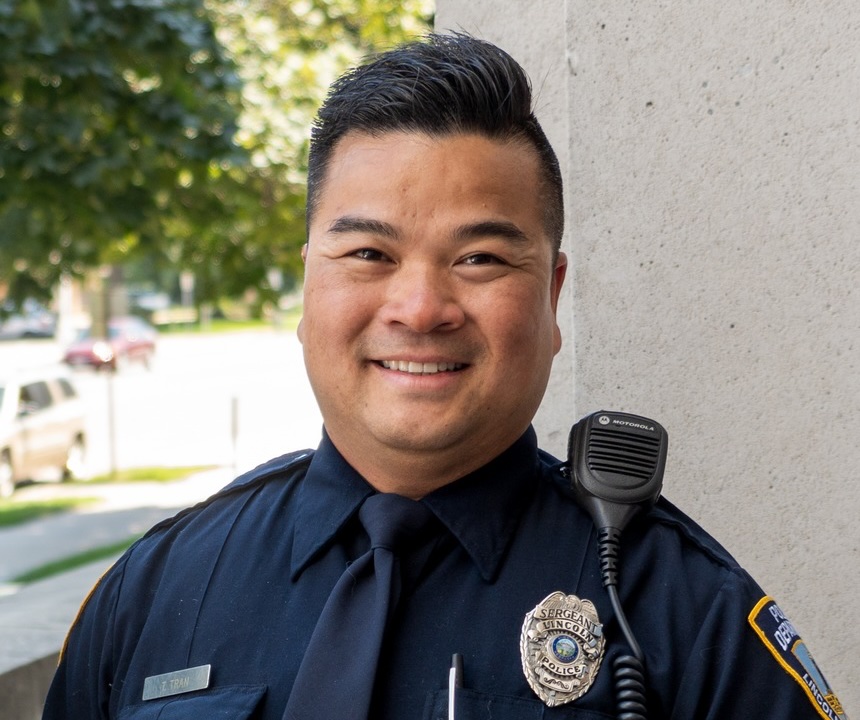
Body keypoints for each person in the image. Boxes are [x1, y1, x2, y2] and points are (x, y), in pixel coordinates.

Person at [44, 33, 847, 720]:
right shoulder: (153, 591)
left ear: (553, 295)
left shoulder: (684, 613)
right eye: (369, 254)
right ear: (306, 284)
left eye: (480, 259)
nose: (421, 306)